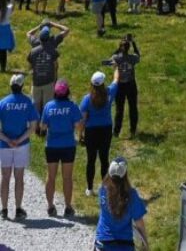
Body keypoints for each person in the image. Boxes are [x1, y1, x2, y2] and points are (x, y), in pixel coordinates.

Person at [40, 78, 83, 217]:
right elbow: (79, 126)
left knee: (51, 176)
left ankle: (50, 206)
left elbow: (43, 126)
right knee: (67, 177)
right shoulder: (72, 106)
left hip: (52, 145)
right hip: (68, 145)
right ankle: (68, 207)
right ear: (67, 92)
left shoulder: (49, 106)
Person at [0, 74, 39, 220]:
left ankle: (4, 209)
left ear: (11, 86)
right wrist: (19, 140)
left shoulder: (3, 102)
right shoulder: (28, 102)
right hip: (21, 145)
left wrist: (7, 140)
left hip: (4, 145)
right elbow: (33, 127)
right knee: (19, 177)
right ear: (22, 86)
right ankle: (18, 208)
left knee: (5, 177)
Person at [95, 156, 148, 251]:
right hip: (125, 245)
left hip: (103, 242)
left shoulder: (102, 190)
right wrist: (146, 245)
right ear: (125, 175)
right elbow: (139, 223)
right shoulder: (132, 195)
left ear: (109, 174)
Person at [80, 70, 118, 197]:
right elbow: (116, 80)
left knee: (91, 160)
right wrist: (116, 67)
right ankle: (105, 188)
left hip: (91, 131)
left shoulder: (87, 99)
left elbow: (83, 119)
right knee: (104, 159)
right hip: (106, 130)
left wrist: (80, 134)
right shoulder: (109, 93)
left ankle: (90, 189)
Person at [106, 35, 140, 138]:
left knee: (119, 109)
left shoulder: (116, 58)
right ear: (129, 48)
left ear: (121, 48)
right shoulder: (132, 58)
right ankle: (133, 130)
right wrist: (133, 43)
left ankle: (116, 132)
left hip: (120, 85)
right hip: (131, 84)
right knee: (133, 107)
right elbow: (138, 55)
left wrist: (119, 48)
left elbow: (110, 60)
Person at [27, 25, 60, 120]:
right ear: (48, 38)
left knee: (35, 106)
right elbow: (56, 66)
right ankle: (45, 125)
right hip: (49, 82)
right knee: (47, 106)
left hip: (36, 82)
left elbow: (29, 67)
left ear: (40, 38)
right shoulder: (53, 51)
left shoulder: (33, 51)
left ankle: (36, 124)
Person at [0, 0, 15, 73]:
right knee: (3, 51)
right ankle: (3, 67)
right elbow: (13, 3)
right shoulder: (8, 9)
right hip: (6, 30)